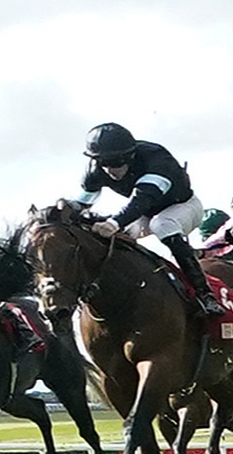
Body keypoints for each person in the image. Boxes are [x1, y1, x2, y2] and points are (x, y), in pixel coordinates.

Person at [73, 123, 221, 317]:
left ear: (130, 156)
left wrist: (113, 223)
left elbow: (141, 200)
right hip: (145, 213)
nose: (109, 170)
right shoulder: (96, 170)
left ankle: (205, 294)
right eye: (103, 162)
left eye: (116, 162)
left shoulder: (156, 160)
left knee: (162, 225)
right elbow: (80, 205)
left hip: (184, 207)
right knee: (118, 236)